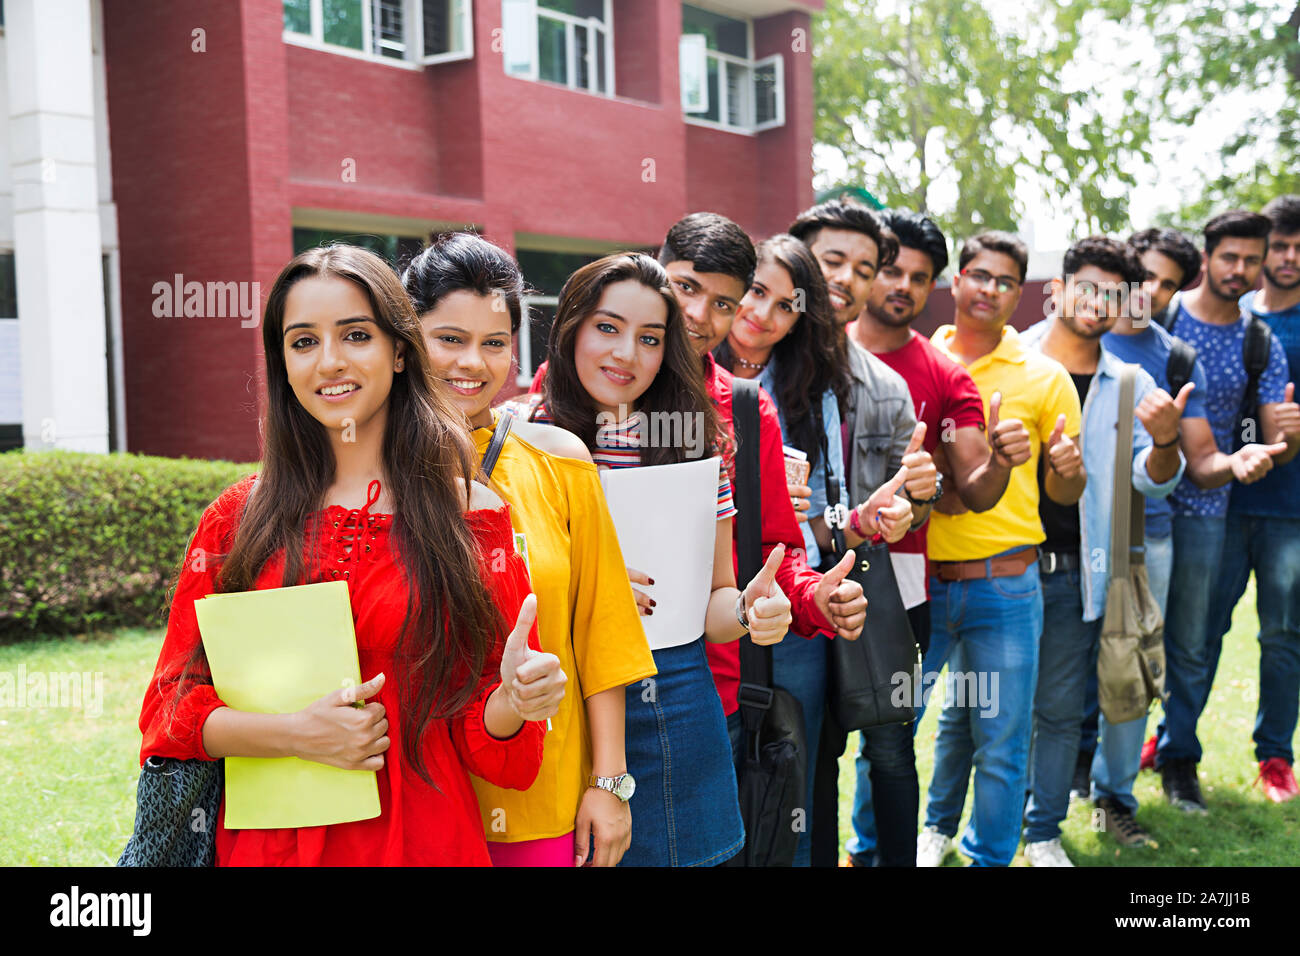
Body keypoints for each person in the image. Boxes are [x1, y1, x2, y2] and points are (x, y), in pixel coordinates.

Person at [137, 244, 565, 866]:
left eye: (355, 334)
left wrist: (516, 703)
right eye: (303, 341)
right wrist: (295, 735)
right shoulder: (238, 519)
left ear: (398, 349)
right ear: (282, 363)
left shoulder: (471, 514)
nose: (330, 361)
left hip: (423, 836)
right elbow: (168, 709)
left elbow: (489, 739)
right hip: (272, 845)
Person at [518, 251, 795, 867]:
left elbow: (715, 605)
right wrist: (593, 581)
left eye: (649, 338)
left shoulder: (693, 442)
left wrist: (752, 609)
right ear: (570, 328)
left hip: (671, 701)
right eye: (608, 328)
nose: (626, 355)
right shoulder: (517, 439)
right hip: (549, 704)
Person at [402, 233, 658, 866]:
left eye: (493, 344)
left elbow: (604, 635)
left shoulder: (560, 462)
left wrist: (609, 785)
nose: (473, 363)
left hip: (540, 795)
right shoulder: (366, 471)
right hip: (413, 798)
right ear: (407, 339)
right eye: (450, 339)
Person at [712, 234, 909, 866]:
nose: (760, 314)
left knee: (790, 766)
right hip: (702, 609)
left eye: (784, 306)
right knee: (711, 767)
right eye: (753, 293)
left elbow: (831, 513)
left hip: (794, 600)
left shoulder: (812, 390)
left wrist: (832, 518)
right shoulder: (680, 367)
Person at [843, 208, 1024, 867]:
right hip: (800, 568)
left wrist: (999, 461)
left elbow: (974, 488)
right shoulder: (810, 350)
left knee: (888, 740)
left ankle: (877, 857)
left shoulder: (944, 375)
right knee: (798, 729)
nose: (903, 286)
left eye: (919, 277)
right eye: (891, 270)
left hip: (899, 583)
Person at [916, 231, 1085, 868]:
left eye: (1005, 281)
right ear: (955, 282)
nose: (989, 289)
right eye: (978, 275)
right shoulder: (918, 365)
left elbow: (1066, 493)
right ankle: (911, 837)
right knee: (896, 726)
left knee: (1003, 740)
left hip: (1007, 582)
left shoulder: (1045, 377)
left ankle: (990, 858)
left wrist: (1066, 465)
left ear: (1022, 293)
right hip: (922, 580)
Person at [1019, 237, 1185, 865]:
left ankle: (1083, 811)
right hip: (1007, 563)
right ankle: (986, 817)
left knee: (1101, 694)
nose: (1099, 302)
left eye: (1114, 293)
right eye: (1088, 287)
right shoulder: (1019, 358)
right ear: (1059, 289)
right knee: (996, 704)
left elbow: (1151, 477)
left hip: (1094, 569)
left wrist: (1166, 441)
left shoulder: (1131, 380)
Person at [787, 199, 937, 867]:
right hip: (781, 601)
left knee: (889, 747)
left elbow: (908, 504)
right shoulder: (756, 368)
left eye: (864, 267)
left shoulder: (885, 386)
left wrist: (916, 502)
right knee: (808, 754)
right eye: (832, 261)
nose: (848, 278)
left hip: (869, 595)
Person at [1152, 210, 1297, 813]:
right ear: (1206, 256)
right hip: (1145, 506)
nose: (1240, 269)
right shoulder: (1160, 316)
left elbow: (1267, 428)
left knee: (1197, 639)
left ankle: (1180, 756)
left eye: (1250, 258)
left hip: (1214, 506)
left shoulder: (1257, 339)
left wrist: (1278, 440)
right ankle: (1093, 758)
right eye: (1228, 257)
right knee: (1118, 630)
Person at [1207, 195, 1300, 802]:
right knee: (1198, 630)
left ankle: (1275, 756)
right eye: (1282, 246)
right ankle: (1173, 739)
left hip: (1290, 509)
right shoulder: (1229, 316)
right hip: (1216, 504)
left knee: (1282, 635)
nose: (1290, 258)